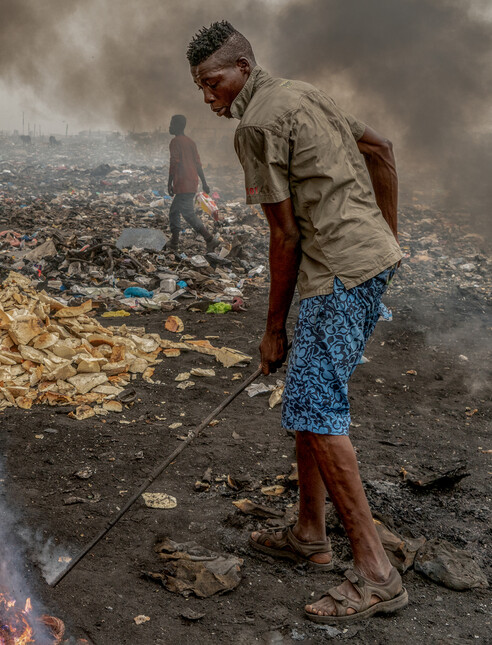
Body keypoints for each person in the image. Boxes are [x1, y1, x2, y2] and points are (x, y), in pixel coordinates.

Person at [187, 21, 405, 624]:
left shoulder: (257, 124)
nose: (209, 99)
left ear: (244, 66)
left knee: (317, 408)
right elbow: (382, 151)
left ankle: (375, 574)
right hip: (366, 265)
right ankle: (310, 532)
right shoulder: (305, 92)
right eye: (201, 89)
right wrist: (387, 241)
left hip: (333, 277)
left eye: (214, 82)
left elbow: (283, 236)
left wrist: (273, 328)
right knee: (311, 399)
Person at [166, 114, 215, 251]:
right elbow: (198, 164)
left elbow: (174, 163)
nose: (169, 126)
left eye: (171, 124)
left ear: (177, 126)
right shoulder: (190, 142)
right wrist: (204, 183)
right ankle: (174, 242)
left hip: (183, 183)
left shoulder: (175, 142)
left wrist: (169, 183)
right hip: (192, 182)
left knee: (188, 214)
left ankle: (209, 239)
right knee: (174, 211)